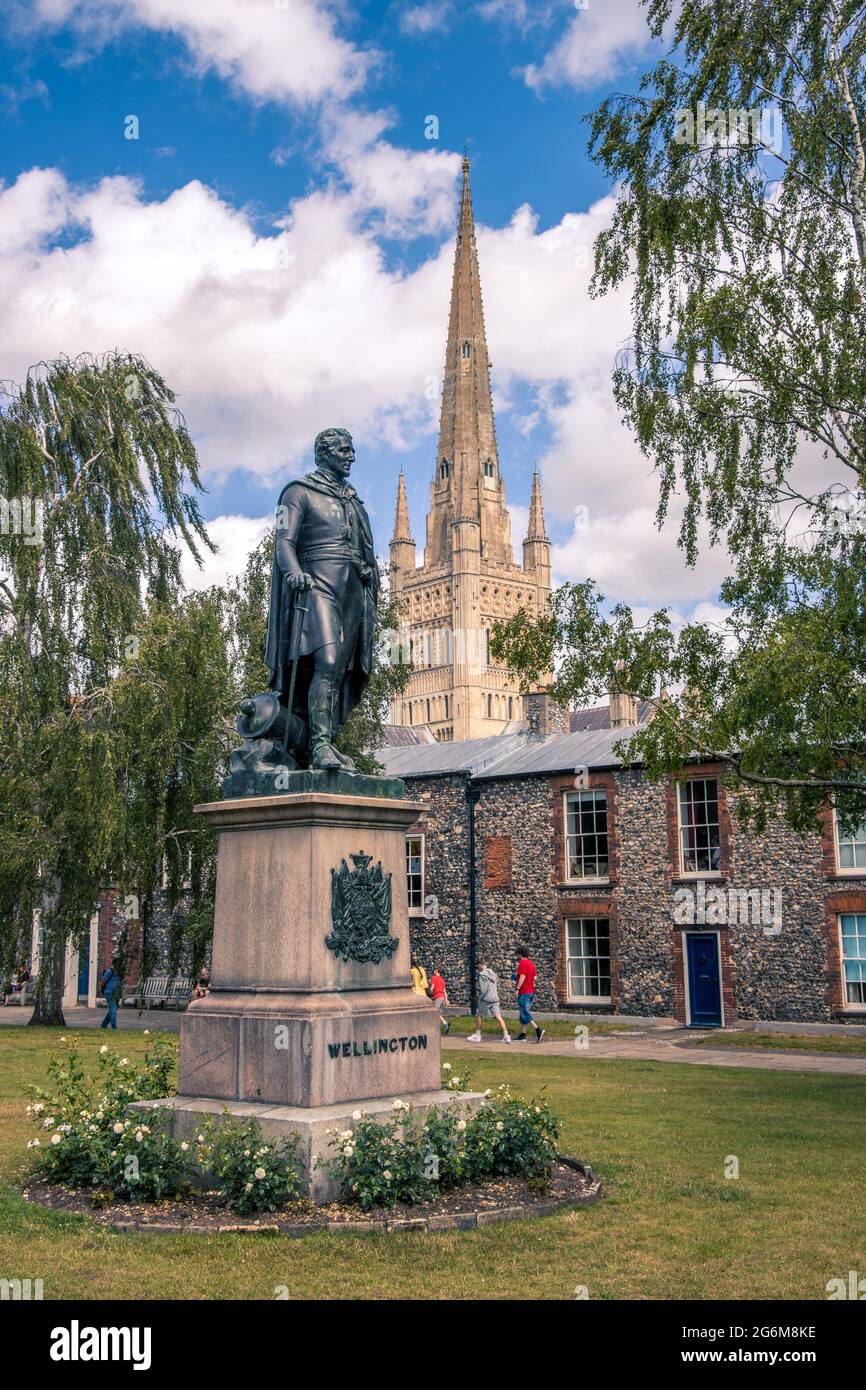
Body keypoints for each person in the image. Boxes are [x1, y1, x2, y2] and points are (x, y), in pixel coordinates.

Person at [468, 959, 511, 1043]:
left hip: (486, 999)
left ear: (480, 965)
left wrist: (480, 998)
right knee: (498, 1017)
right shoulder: (492, 972)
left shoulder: (481, 975)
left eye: (477, 967)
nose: (477, 969)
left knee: (479, 1015)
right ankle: (506, 1036)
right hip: (495, 998)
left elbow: (484, 990)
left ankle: (477, 1035)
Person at [513, 945, 545, 1042]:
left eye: (517, 955)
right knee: (523, 1013)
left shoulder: (523, 963)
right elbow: (534, 978)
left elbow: (522, 976)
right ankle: (523, 1034)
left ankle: (538, 1030)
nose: (517, 957)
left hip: (524, 992)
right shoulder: (531, 964)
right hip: (531, 992)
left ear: (520, 954)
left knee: (524, 1012)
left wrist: (517, 988)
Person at [99, 958, 123, 1030]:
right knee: (113, 1008)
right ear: (114, 964)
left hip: (116, 993)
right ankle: (114, 1027)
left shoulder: (120, 972)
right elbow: (102, 982)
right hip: (110, 992)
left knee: (114, 1008)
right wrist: (102, 990)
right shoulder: (109, 971)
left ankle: (104, 1024)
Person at [428, 966, 451, 1034]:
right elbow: (444, 991)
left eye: (435, 970)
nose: (434, 971)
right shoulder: (442, 980)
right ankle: (443, 1025)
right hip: (443, 998)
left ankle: (444, 1024)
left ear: (437, 971)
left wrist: (428, 994)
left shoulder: (434, 977)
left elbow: (432, 987)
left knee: (434, 1013)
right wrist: (446, 1000)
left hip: (437, 997)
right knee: (438, 1014)